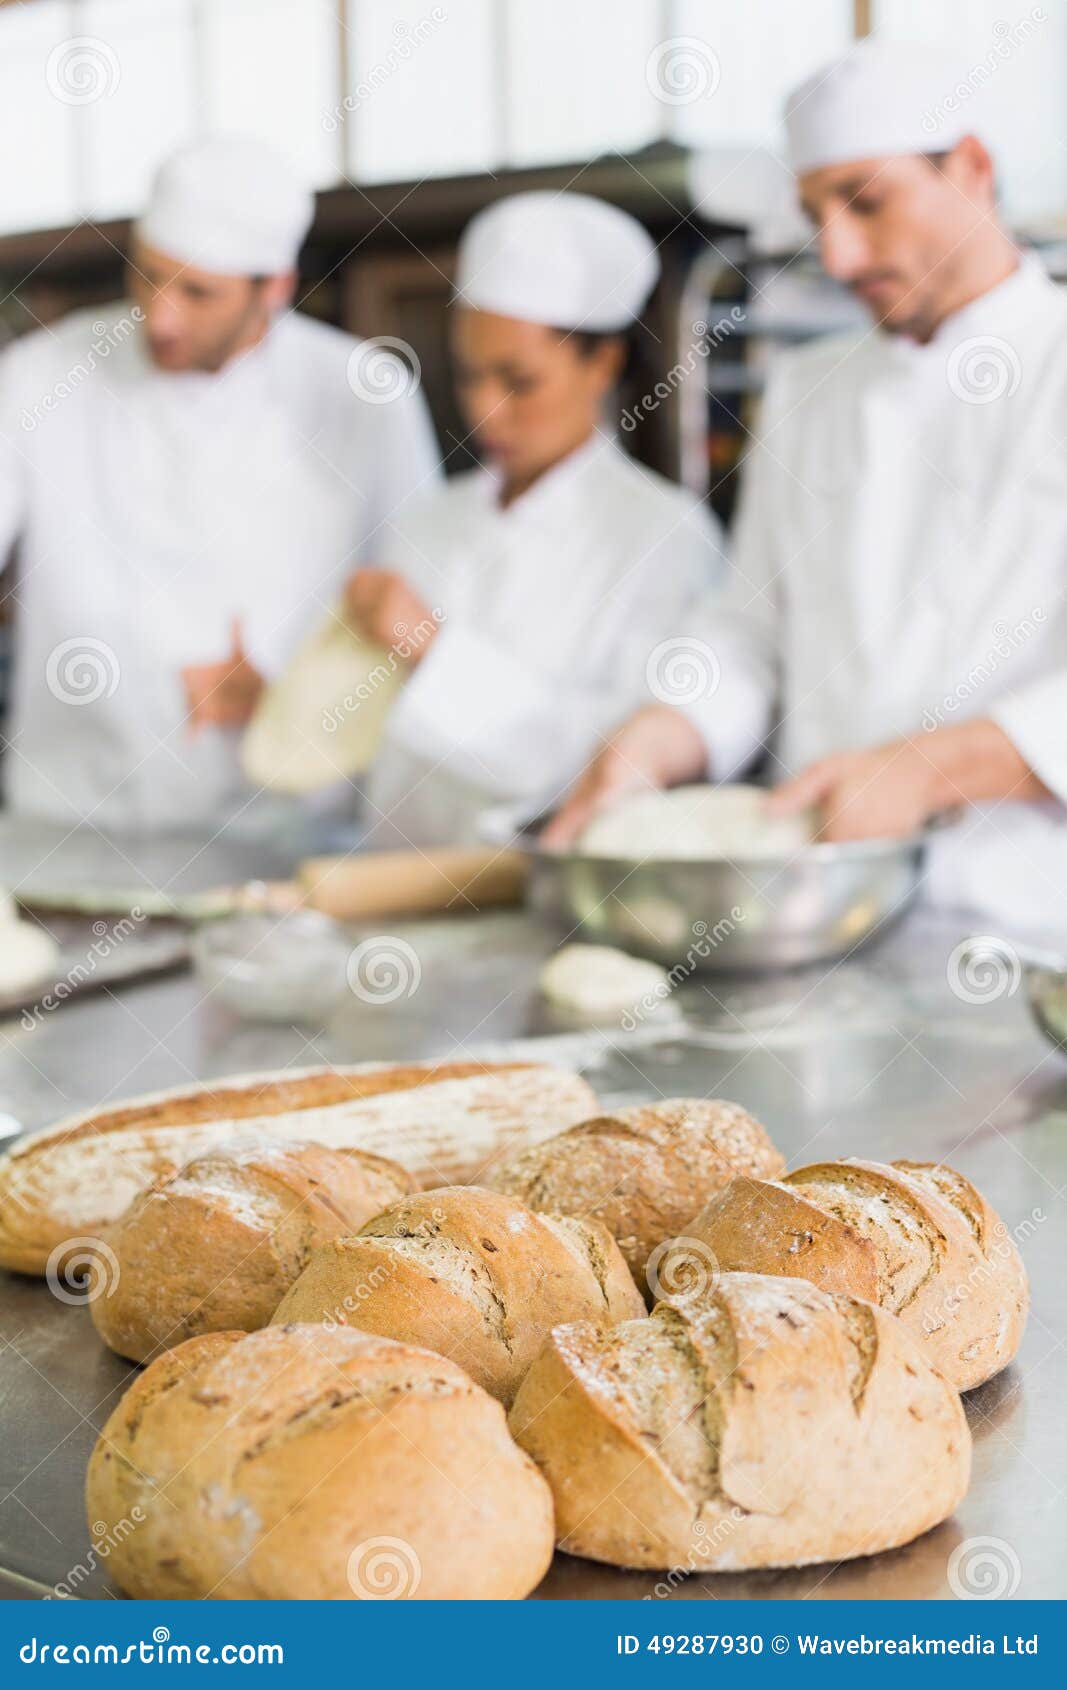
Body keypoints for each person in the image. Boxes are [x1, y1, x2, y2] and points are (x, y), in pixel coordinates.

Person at [545, 42, 1067, 931]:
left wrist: (935, 767)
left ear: (972, 167)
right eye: (815, 212)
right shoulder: (810, 388)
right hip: (818, 911)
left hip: (1026, 923)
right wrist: (664, 734)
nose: (837, 250)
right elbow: (751, 629)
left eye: (866, 199)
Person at [0, 135, 439, 831]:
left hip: (290, 830)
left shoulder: (364, 396)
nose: (161, 316)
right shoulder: (38, 378)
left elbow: (412, 606)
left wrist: (290, 688)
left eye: (199, 293)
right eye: (146, 275)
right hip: (78, 816)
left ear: (274, 288)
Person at [344, 190, 725, 847]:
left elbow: (607, 763)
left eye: (518, 382)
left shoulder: (662, 535)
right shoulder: (426, 522)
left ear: (601, 363)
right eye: (468, 377)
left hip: (543, 904)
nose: (486, 412)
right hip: (385, 896)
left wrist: (434, 653)